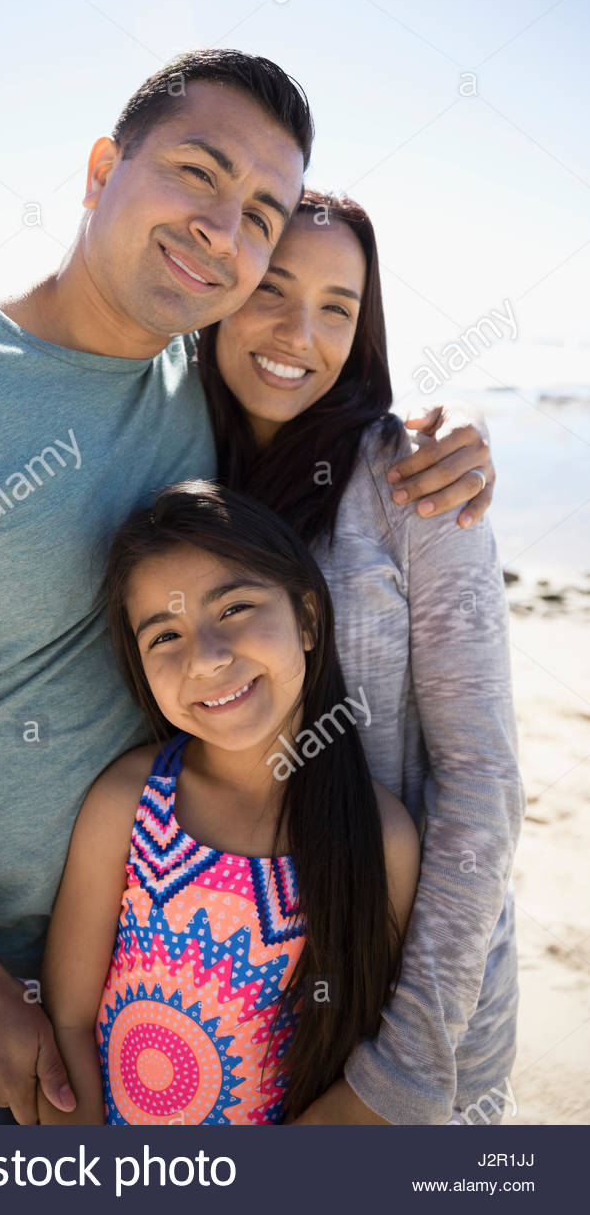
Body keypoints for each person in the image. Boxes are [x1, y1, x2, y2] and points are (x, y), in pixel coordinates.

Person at [0, 50, 494, 1126]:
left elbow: (309, 404)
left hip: (168, 980)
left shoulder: (195, 393)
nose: (221, 230)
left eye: (258, 214)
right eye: (198, 172)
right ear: (101, 167)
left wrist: (439, 446)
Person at [190, 191, 524, 1125]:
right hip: (234, 979)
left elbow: (484, 778)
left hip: (409, 996)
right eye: (273, 290)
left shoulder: (409, 476)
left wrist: (406, 1066)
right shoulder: (181, 467)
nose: (301, 333)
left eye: (338, 306)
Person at [37, 481, 421, 1125]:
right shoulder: (129, 802)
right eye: (164, 637)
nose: (208, 658)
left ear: (306, 616)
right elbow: (69, 1021)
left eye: (235, 608)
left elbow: (358, 1064)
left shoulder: (379, 837)